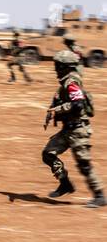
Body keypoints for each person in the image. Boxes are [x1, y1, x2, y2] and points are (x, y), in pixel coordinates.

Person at [42, 49, 102, 207]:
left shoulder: (72, 82)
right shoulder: (65, 82)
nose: (55, 68)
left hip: (78, 131)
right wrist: (52, 109)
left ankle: (99, 195)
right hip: (68, 130)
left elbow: (77, 105)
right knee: (48, 154)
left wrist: (57, 110)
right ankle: (65, 183)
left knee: (84, 165)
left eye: (58, 65)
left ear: (65, 66)